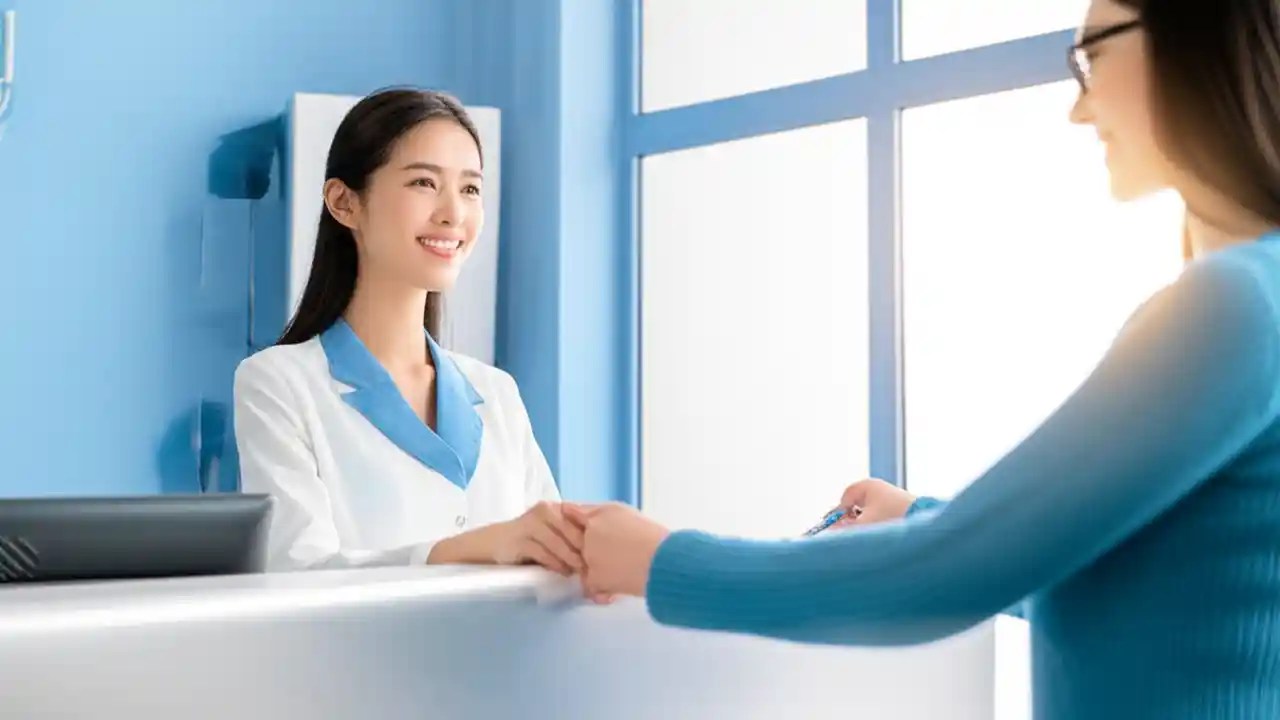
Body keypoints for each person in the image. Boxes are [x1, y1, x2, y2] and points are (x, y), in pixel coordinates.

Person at [567, 1, 1280, 717]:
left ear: (1191, 41)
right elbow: (1137, 582)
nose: (1079, 108)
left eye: (1091, 56)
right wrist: (917, 516)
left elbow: (945, 578)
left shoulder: (1234, 304)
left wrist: (660, 561)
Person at [234, 88, 585, 576]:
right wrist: (473, 547)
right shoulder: (278, 383)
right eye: (424, 182)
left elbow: (554, 561)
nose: (453, 214)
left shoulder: (496, 393)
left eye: (470, 189)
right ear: (344, 202)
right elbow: (299, 572)